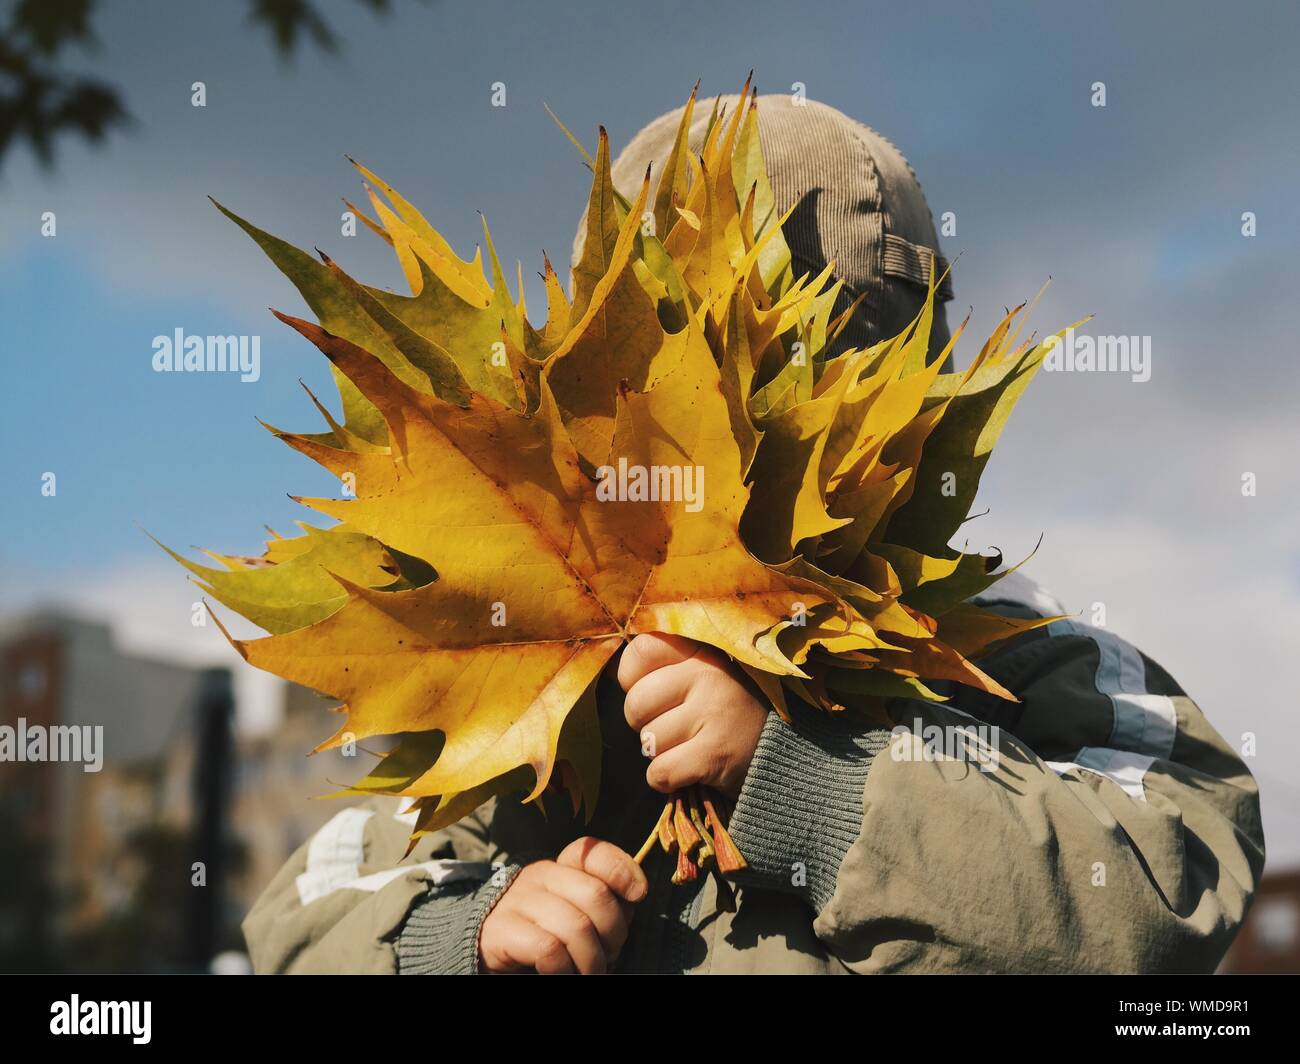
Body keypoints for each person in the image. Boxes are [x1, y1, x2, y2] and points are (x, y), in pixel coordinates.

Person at [241, 95, 1264, 975]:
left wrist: (805, 775)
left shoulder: (1011, 649)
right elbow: (308, 904)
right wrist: (469, 930)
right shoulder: (543, 699)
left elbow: (1165, 876)